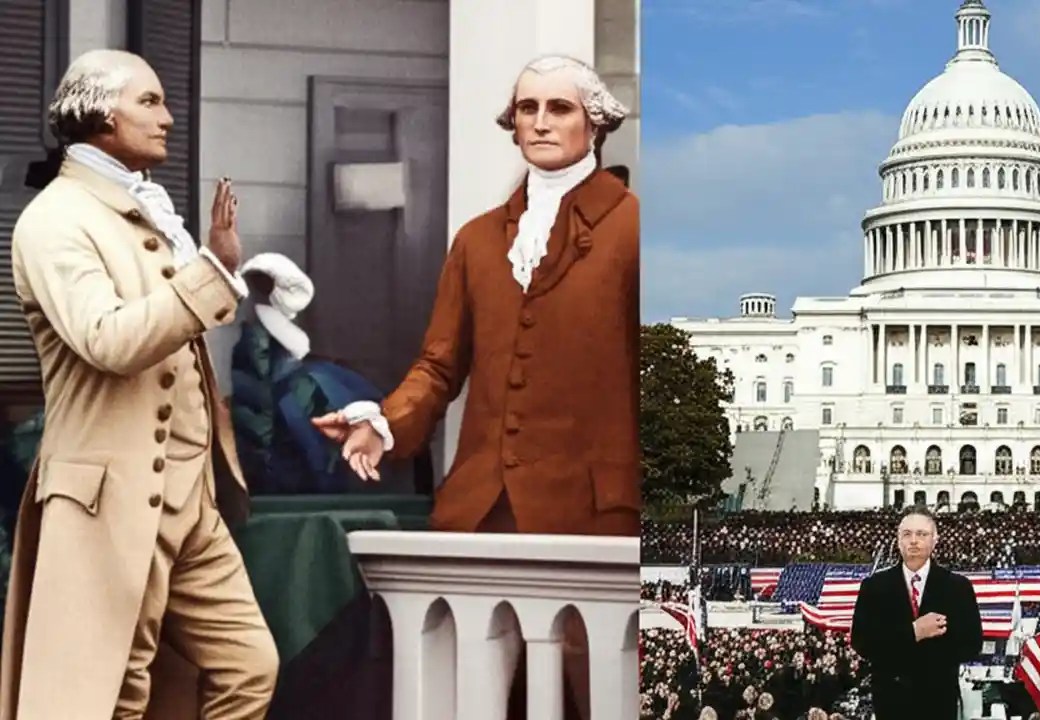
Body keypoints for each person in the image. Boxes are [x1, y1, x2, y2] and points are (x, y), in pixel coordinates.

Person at [312, 53, 639, 719]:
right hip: (481, 513)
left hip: (593, 518)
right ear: (512, 124)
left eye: (560, 108)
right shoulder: (477, 240)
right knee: (466, 701)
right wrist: (385, 422)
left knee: (598, 700)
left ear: (595, 124)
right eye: (527, 108)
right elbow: (438, 366)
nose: (540, 122)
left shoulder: (634, 229)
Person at [0, 49, 278, 719]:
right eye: (149, 102)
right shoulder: (56, 219)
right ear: (100, 115)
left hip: (188, 497)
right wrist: (212, 271)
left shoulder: (143, 208)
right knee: (112, 694)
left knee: (249, 667)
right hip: (107, 501)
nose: (168, 117)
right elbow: (109, 339)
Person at [851, 506, 982, 719]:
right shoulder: (874, 587)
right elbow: (862, 642)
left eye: (921, 534)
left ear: (935, 540)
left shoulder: (958, 587)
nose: (914, 541)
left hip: (938, 701)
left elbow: (972, 644)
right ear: (898, 540)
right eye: (907, 534)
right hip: (891, 703)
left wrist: (914, 652)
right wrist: (914, 632)